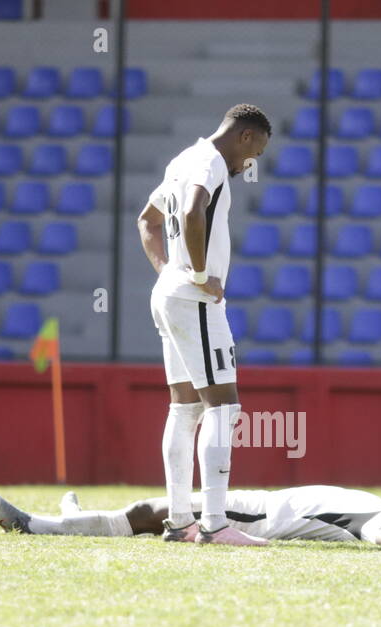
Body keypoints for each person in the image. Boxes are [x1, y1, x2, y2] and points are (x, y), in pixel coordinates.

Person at [136, 104, 272, 546]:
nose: (249, 164)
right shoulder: (211, 162)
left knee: (185, 408)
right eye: (254, 153)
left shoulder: (181, 159)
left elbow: (148, 220)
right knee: (222, 406)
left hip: (169, 295)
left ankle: (179, 522)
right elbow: (194, 213)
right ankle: (214, 524)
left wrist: (169, 273)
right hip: (193, 299)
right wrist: (196, 275)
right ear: (246, 136)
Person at [0, 486, 381, 550]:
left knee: (152, 510)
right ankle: (76, 517)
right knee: (156, 507)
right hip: (261, 502)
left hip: (256, 517)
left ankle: (33, 526)